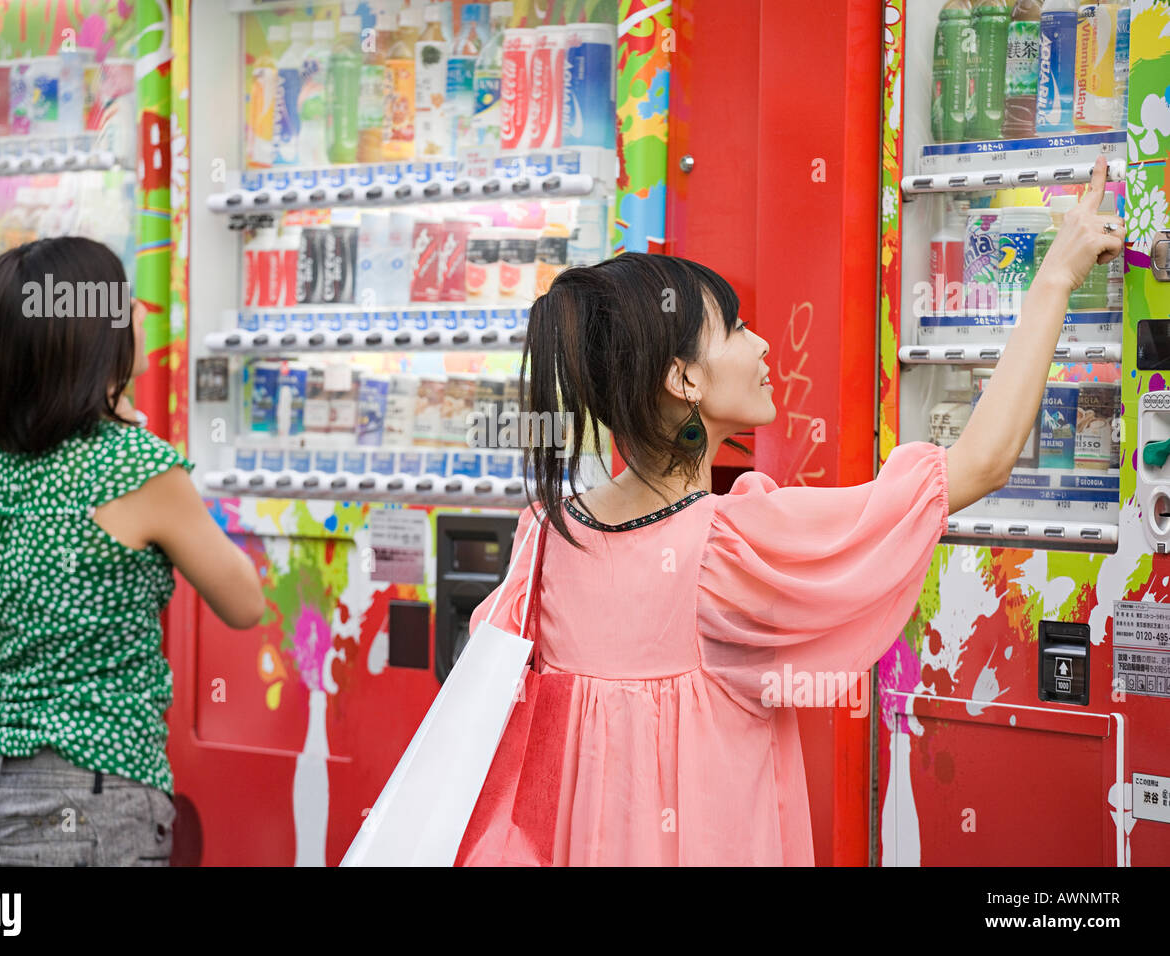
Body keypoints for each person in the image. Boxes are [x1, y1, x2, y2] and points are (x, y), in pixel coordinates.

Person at [459, 158, 1125, 865]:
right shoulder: (730, 547)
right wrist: (1056, 278)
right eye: (738, 327)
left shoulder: (543, 539)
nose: (765, 343)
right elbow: (980, 465)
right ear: (684, 378)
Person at [0, 236, 266, 866]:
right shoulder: (136, 467)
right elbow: (246, 602)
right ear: (89, 337)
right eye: (126, 302)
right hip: (96, 803)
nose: (141, 314)